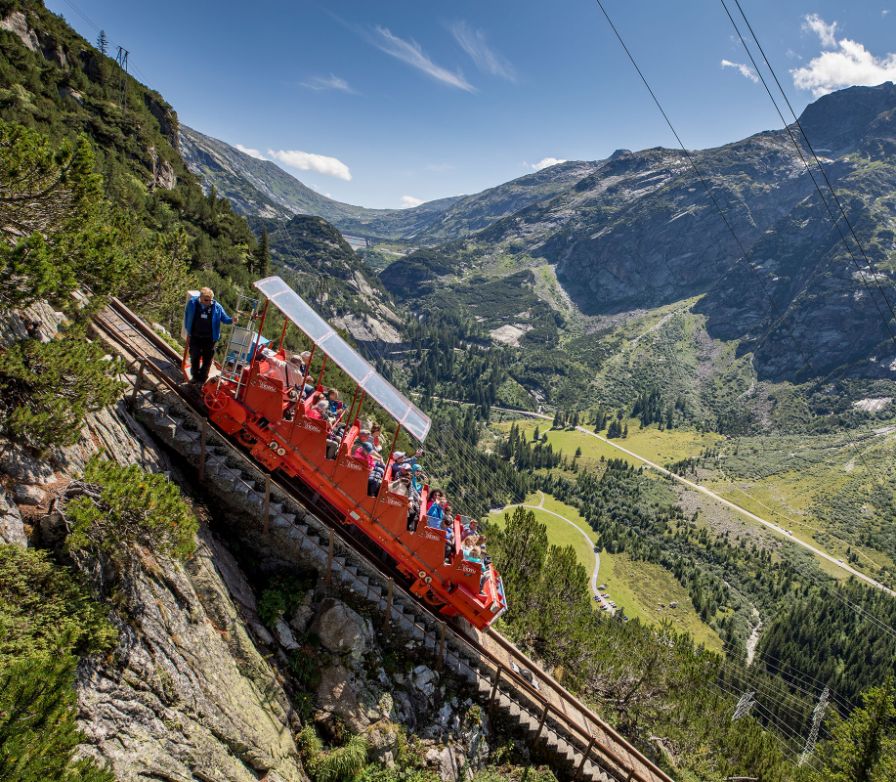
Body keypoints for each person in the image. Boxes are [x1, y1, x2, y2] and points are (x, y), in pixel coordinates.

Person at [184, 288, 234, 385]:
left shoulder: (217, 307)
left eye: (210, 299)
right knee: (195, 356)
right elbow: (187, 314)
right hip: (195, 336)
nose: (209, 302)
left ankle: (202, 379)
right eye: (206, 300)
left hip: (209, 338)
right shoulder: (193, 303)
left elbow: (225, 319)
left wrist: (232, 320)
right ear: (200, 298)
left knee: (207, 360)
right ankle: (195, 377)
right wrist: (187, 327)